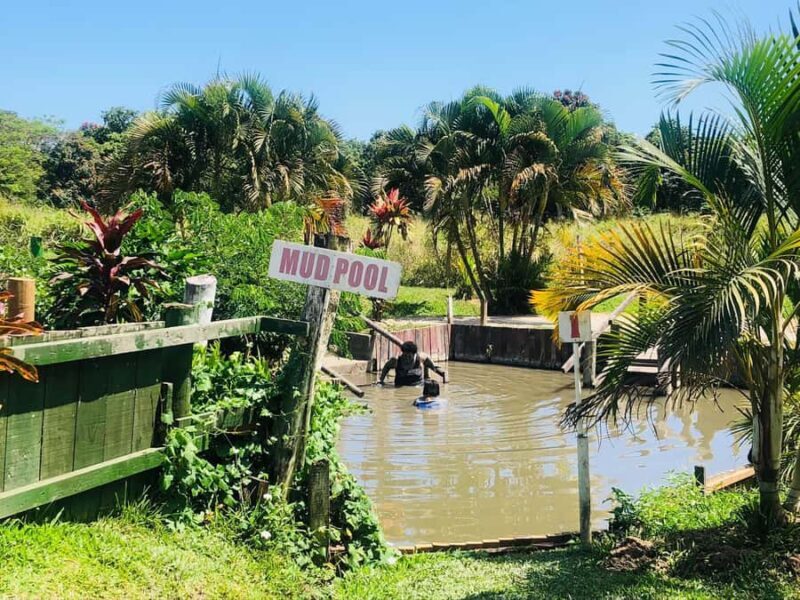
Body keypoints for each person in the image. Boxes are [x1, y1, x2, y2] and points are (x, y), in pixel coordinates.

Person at [378, 340, 447, 387]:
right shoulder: (396, 360)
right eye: (405, 355)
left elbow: (435, 367)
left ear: (414, 354)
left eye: (409, 356)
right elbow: (386, 367)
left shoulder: (421, 357)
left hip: (418, 386)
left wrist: (444, 377)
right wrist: (381, 380)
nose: (407, 358)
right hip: (399, 387)